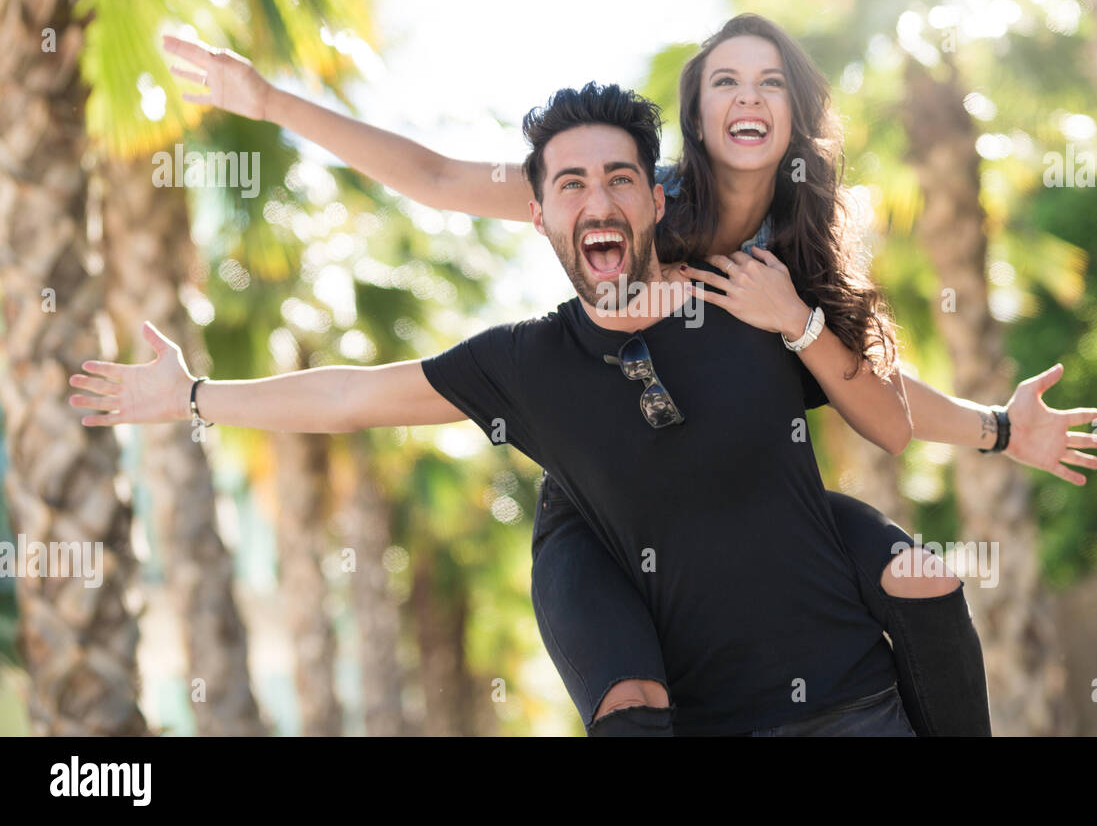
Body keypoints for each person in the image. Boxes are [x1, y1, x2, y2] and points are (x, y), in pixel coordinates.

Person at [161, 15, 1097, 735]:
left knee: (920, 575)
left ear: (797, 114)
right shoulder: (630, 189)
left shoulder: (797, 262)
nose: (747, 99)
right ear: (694, 117)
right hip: (601, 485)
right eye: (726, 81)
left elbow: (871, 393)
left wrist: (995, 426)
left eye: (770, 84)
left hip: (739, 475)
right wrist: (271, 102)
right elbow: (440, 181)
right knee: (630, 692)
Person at [72, 83, 925, 735]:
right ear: (539, 216)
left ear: (658, 200)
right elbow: (350, 394)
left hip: (851, 699)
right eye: (571, 185)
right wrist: (193, 396)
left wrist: (986, 424)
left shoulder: (753, 300)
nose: (598, 202)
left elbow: (887, 401)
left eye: (620, 180)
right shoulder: (523, 364)